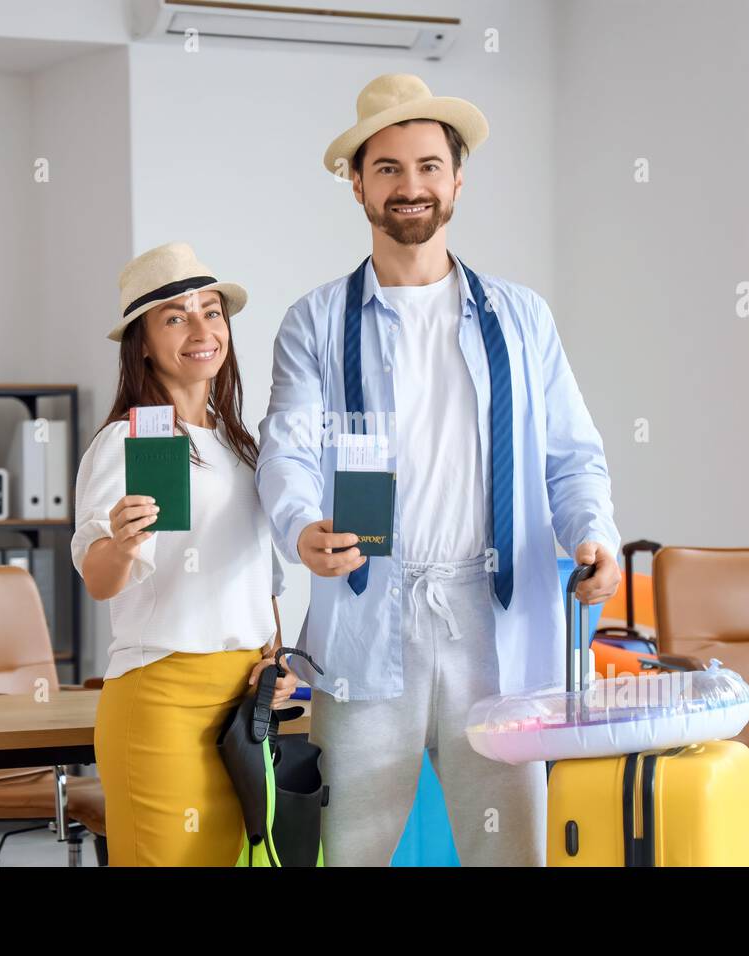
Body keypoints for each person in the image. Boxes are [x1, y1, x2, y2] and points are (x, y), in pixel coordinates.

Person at [255, 74, 621, 866]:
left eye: (428, 166)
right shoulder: (316, 322)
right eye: (386, 168)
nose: (410, 186)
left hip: (493, 625)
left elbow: (571, 453)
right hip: (363, 620)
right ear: (356, 184)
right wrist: (299, 527)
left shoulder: (521, 319)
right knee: (350, 850)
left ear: (458, 179)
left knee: (510, 854)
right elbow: (285, 444)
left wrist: (594, 534)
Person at [72, 241, 294, 866]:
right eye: (175, 317)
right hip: (161, 699)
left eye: (212, 312)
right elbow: (97, 578)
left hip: (242, 707)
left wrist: (273, 659)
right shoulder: (125, 441)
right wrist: (121, 542)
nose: (202, 329)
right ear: (141, 342)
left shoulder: (240, 444)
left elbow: (262, 574)